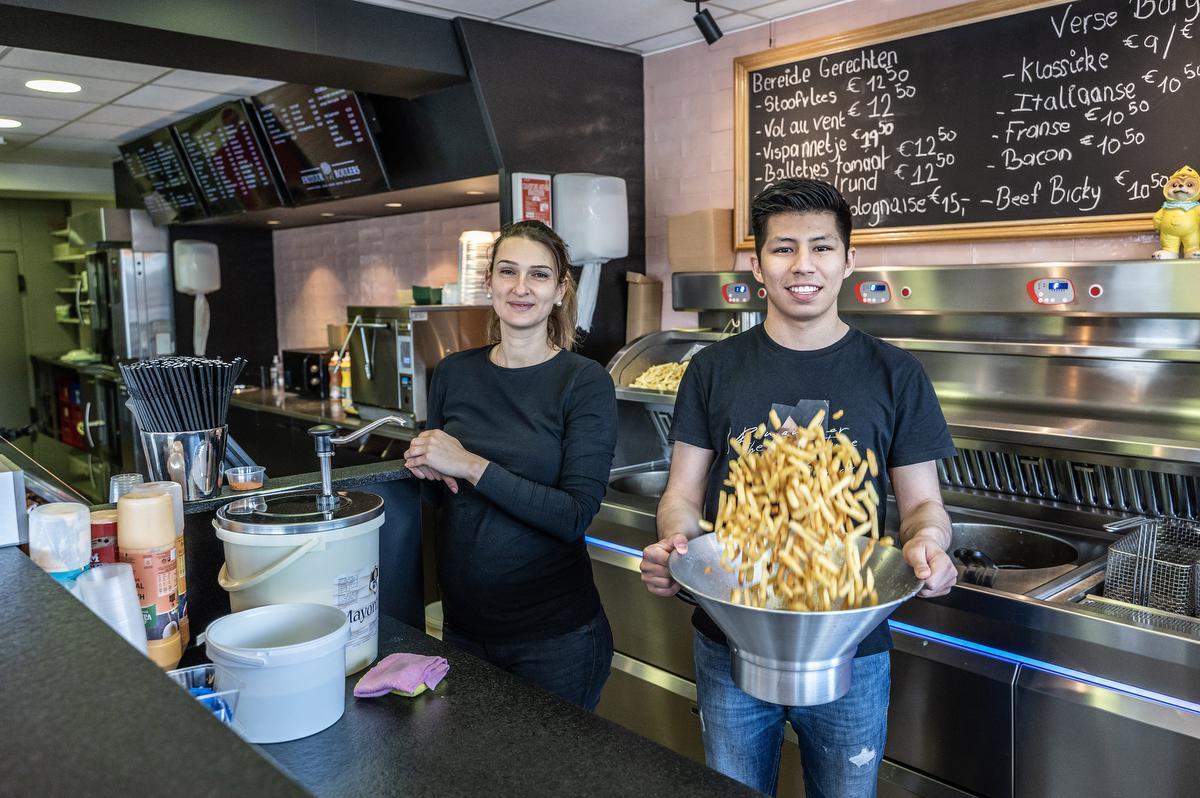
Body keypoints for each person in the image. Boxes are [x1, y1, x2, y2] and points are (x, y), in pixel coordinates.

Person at [639, 179, 958, 797]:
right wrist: (677, 546)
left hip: (852, 641)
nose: (803, 265)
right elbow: (681, 494)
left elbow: (922, 506)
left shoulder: (896, 374)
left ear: (848, 262)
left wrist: (931, 545)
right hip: (731, 632)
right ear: (758, 265)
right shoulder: (713, 369)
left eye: (821, 248)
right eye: (783, 249)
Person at [403, 220, 617, 711]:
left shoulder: (583, 383)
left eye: (539, 275)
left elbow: (574, 515)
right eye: (508, 272)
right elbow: (441, 501)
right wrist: (424, 464)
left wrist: (470, 464)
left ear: (561, 289)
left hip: (556, 641)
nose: (521, 288)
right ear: (489, 282)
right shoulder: (455, 372)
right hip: (462, 631)